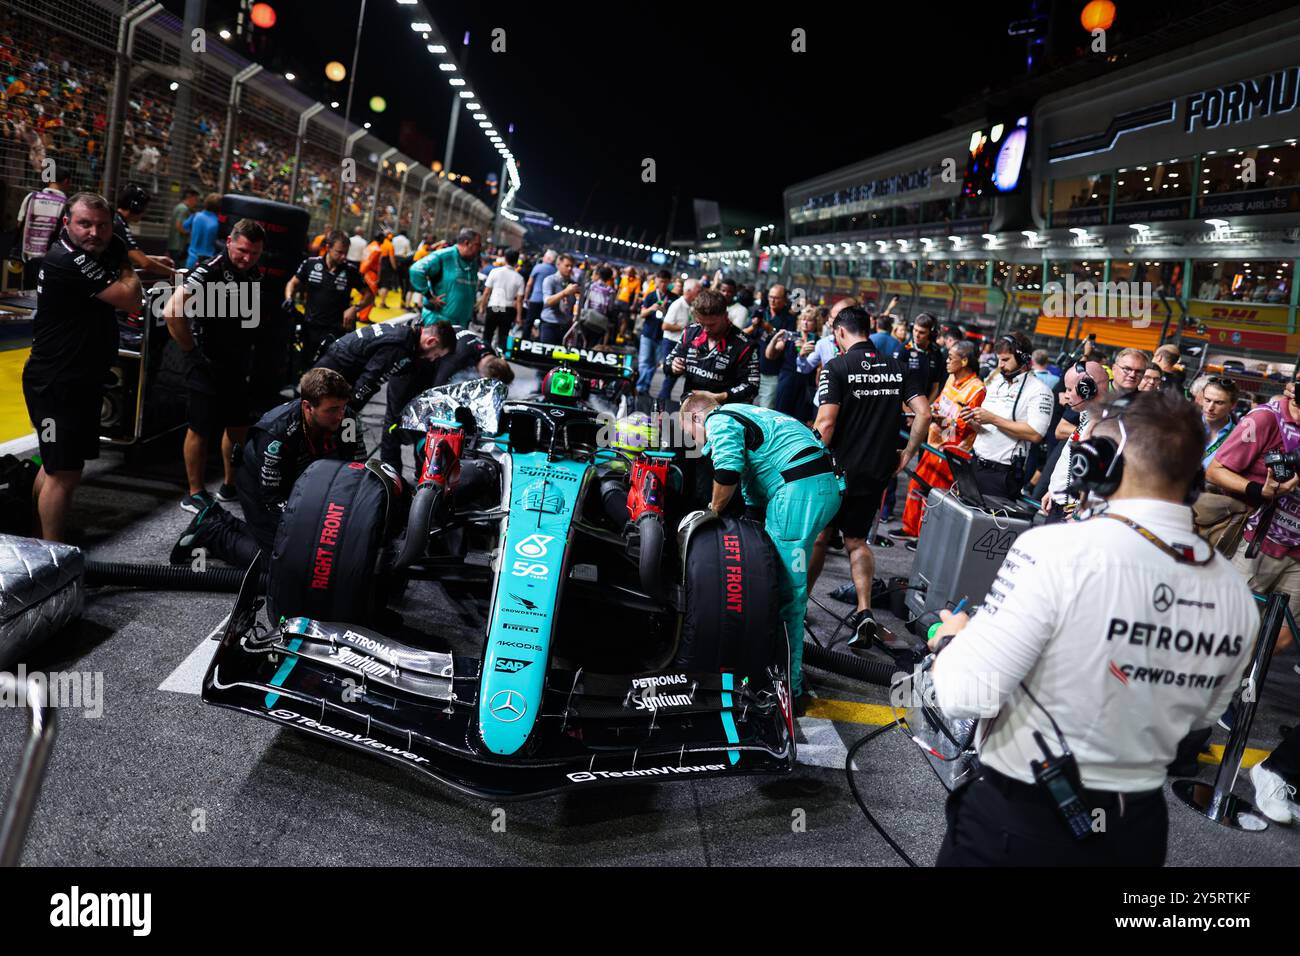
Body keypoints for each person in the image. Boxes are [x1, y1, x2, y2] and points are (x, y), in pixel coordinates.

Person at [930, 390, 1258, 866]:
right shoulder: (1235, 592)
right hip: (1137, 830)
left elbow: (966, 693)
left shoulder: (1057, 551)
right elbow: (1203, 715)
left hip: (1023, 820)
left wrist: (954, 639)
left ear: (1101, 463)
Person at [679, 393, 843, 709]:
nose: (696, 441)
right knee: (771, 579)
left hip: (799, 493)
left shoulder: (719, 419)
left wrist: (710, 512)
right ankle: (773, 666)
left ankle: (789, 691)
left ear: (697, 418)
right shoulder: (750, 412)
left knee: (785, 594)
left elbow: (727, 469)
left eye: (691, 433)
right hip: (818, 485)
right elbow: (753, 480)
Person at [808, 306, 930, 644]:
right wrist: (907, 453)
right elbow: (924, 412)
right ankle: (864, 611)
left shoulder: (837, 367)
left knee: (820, 536)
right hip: (876, 471)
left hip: (835, 471)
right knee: (856, 542)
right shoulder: (897, 368)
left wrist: (805, 458)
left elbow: (827, 423)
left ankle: (798, 604)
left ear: (840, 333)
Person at [23, 193, 141, 542]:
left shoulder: (85, 256)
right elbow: (130, 297)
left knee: (55, 466)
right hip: (57, 386)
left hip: (76, 381)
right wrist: (127, 265)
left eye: (102, 226)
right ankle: (52, 558)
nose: (94, 232)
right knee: (64, 473)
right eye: (85, 224)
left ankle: (38, 540)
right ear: (66, 224)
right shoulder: (68, 259)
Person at [169, 368, 365, 568]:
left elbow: (356, 470)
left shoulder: (347, 418)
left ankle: (217, 519)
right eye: (332, 409)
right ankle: (213, 533)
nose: (340, 415)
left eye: (342, 407)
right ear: (307, 407)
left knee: (311, 544)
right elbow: (274, 500)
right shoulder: (276, 433)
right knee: (280, 560)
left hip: (300, 478)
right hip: (260, 486)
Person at [164, 218, 266, 513]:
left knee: (238, 426)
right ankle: (194, 493)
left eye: (255, 253)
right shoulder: (209, 270)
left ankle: (230, 484)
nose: (247, 258)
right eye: (243, 250)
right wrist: (192, 353)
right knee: (200, 427)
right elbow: (173, 311)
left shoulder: (253, 273)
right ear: (230, 242)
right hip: (206, 362)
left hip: (237, 363)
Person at [1206, 373, 1300, 658]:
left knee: (1283, 638)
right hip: (1259, 540)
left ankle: (1236, 684)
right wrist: (1263, 491)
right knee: (1226, 626)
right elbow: (1215, 470)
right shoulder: (1266, 418)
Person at [380, 322, 511, 471]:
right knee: (402, 423)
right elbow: (436, 393)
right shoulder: (458, 358)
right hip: (410, 372)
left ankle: (421, 470)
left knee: (425, 425)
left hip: (431, 362)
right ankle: (390, 474)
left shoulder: (488, 351)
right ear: (486, 376)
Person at [897, 339, 985, 542]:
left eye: (951, 358)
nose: (946, 361)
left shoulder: (977, 389)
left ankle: (923, 538)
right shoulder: (950, 379)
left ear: (964, 361)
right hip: (934, 443)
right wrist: (931, 412)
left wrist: (940, 420)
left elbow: (966, 425)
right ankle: (909, 530)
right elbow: (939, 402)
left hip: (951, 451)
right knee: (916, 486)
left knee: (933, 496)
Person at [962, 332, 1053, 501]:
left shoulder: (1040, 391)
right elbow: (988, 428)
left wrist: (992, 418)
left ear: (1023, 358)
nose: (1000, 365)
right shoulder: (996, 384)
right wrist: (973, 422)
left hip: (1003, 474)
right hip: (975, 463)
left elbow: (1035, 434)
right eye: (999, 359)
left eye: (1005, 360)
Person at [314, 318, 449, 411]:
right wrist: (349, 407)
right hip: (335, 369)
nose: (432, 359)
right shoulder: (400, 346)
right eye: (436, 355)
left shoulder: (407, 335)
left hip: (338, 363)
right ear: (431, 342)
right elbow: (369, 378)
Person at [284, 230, 373, 365]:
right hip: (310, 327)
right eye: (339, 252)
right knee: (306, 367)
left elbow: (369, 295)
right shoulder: (310, 264)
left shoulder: (350, 271)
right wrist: (289, 298)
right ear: (328, 248)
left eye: (346, 253)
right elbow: (292, 283)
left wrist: (355, 309)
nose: (343, 257)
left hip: (336, 331)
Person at [661, 288, 759, 406]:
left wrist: (722, 397)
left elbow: (752, 385)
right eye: (702, 324)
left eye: (712, 325)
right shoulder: (691, 332)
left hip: (724, 414)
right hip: (690, 408)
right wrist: (673, 366)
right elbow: (668, 363)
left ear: (725, 316)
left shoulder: (745, 344)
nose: (706, 330)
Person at [1039, 359, 1108, 522]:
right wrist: (1055, 490)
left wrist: (1084, 507)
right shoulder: (1087, 416)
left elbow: (1103, 476)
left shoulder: (1106, 425)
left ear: (1087, 389)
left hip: (1072, 514)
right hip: (1060, 504)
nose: (1066, 394)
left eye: (1070, 389)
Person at [15, 161, 74, 288]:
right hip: (51, 262)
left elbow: (19, 224)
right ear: (66, 181)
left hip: (26, 259)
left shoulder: (31, 197)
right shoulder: (67, 205)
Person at [409, 227, 481, 329]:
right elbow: (416, 270)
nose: (479, 249)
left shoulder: (472, 262)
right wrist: (429, 296)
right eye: (477, 245)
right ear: (467, 243)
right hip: (438, 323)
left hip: (462, 324)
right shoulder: (444, 256)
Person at [769, 305, 825, 419]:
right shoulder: (791, 337)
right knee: (781, 416)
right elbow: (770, 354)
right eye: (803, 319)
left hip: (807, 384)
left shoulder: (818, 342)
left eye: (809, 320)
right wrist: (775, 339)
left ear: (816, 323)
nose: (805, 323)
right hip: (788, 381)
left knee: (801, 419)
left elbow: (822, 364)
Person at [111, 183, 174, 278]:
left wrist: (157, 259)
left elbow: (128, 256)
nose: (144, 212)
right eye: (144, 207)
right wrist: (174, 273)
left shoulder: (117, 220)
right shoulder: (118, 225)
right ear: (136, 207)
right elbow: (145, 263)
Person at [750, 284, 795, 409]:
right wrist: (753, 326)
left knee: (765, 411)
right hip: (752, 370)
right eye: (770, 297)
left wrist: (770, 329)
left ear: (784, 300)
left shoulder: (789, 319)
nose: (772, 300)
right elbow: (745, 334)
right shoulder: (761, 313)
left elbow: (782, 344)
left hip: (771, 373)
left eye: (776, 298)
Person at [659, 278, 700, 402]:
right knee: (671, 374)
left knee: (674, 376)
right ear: (688, 291)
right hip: (671, 342)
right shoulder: (677, 304)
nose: (699, 294)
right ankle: (662, 401)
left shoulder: (690, 306)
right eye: (697, 291)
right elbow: (665, 326)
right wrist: (686, 329)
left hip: (681, 343)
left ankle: (664, 399)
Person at [478, 248, 525, 350]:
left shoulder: (494, 272)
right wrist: (518, 316)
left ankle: (484, 355)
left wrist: (482, 306)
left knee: (487, 335)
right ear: (517, 261)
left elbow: (486, 292)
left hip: (493, 306)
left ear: (505, 259)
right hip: (507, 309)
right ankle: (499, 358)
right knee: (503, 337)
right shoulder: (519, 278)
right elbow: (519, 300)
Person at [537, 253, 582, 346]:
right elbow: (548, 301)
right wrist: (565, 292)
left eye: (571, 266)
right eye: (567, 265)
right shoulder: (550, 280)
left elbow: (574, 305)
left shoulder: (573, 283)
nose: (569, 268)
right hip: (549, 323)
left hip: (565, 325)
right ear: (558, 265)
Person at [903, 313, 946, 403]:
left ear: (930, 334)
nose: (916, 335)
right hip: (904, 406)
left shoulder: (936, 353)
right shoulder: (904, 350)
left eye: (921, 332)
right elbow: (896, 384)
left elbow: (936, 385)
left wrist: (927, 407)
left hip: (925, 407)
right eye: (915, 330)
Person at [1199, 376, 1237, 468]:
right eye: (1207, 400)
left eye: (1219, 403)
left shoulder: (1237, 436)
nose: (1210, 408)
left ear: (1233, 405)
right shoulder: (1186, 424)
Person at [182, 192, 221, 270]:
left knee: (185, 281)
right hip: (207, 261)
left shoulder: (196, 215)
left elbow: (185, 226)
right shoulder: (218, 222)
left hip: (192, 259)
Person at [525, 250, 558, 338]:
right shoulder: (555, 271)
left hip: (535, 298)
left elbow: (529, 284)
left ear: (548, 258)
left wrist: (526, 297)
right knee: (543, 323)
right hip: (548, 301)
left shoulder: (538, 267)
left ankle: (524, 341)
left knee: (529, 322)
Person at [168, 186, 199, 268]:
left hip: (174, 245)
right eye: (195, 200)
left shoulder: (179, 207)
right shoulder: (184, 209)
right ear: (190, 197)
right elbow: (178, 226)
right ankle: (178, 282)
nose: (196, 203)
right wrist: (189, 233)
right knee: (179, 271)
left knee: (175, 270)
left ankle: (175, 281)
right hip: (179, 246)